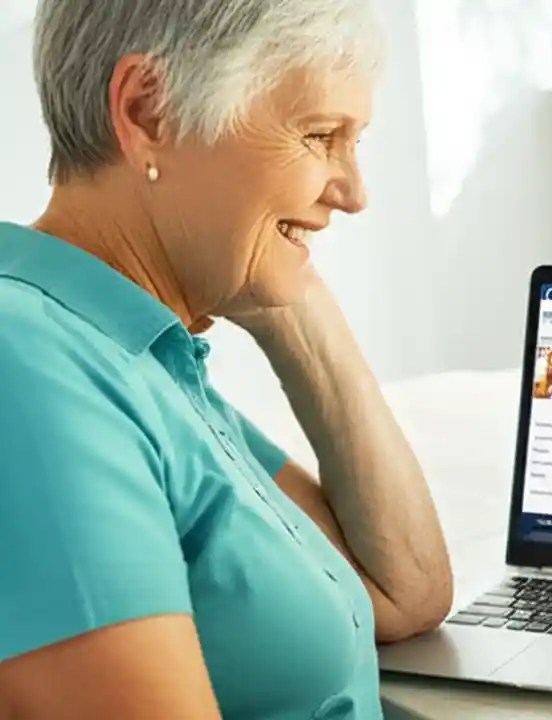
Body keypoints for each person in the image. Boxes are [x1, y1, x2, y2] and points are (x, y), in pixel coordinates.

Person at [0, 1, 452, 718]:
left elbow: (403, 591)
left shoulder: (139, 350)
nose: (355, 193)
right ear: (151, 112)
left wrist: (289, 297)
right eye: (318, 135)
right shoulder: (32, 366)